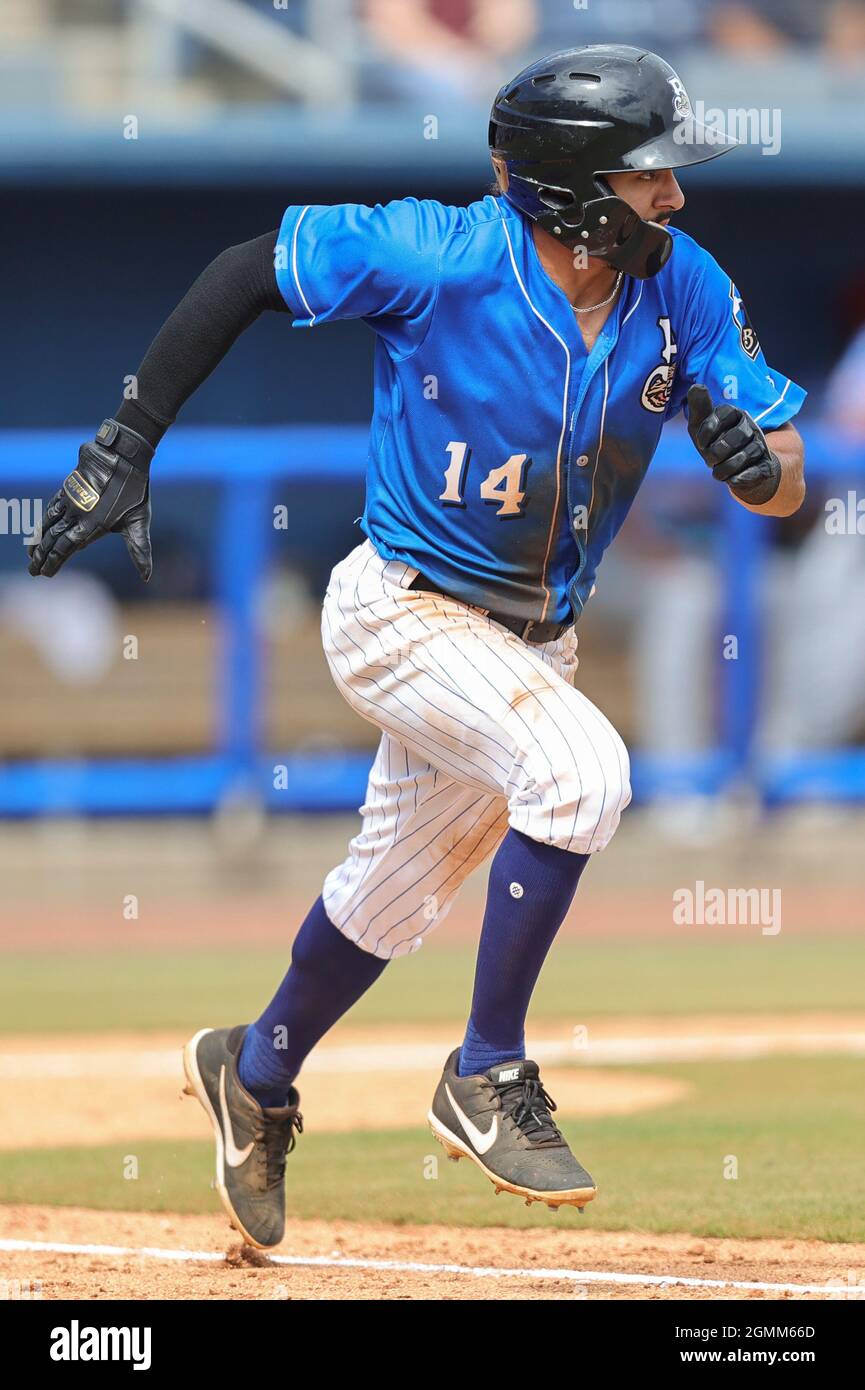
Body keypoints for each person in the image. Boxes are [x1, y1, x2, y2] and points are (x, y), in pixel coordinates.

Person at [27, 45, 806, 1249]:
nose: (675, 196)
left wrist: (761, 470)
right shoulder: (436, 251)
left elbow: (782, 479)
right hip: (399, 607)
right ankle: (485, 1069)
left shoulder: (681, 284)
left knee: (390, 890)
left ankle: (256, 1067)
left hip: (528, 643)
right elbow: (247, 270)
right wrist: (128, 441)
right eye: (649, 175)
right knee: (583, 774)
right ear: (570, 185)